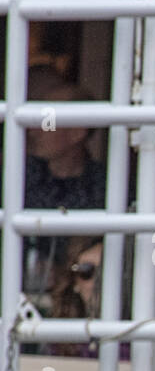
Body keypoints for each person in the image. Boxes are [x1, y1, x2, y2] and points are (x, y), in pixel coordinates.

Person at [25, 79, 107, 294]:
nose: (34, 130)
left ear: (77, 132)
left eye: (48, 120)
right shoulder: (17, 178)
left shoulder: (104, 189)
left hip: (73, 302)